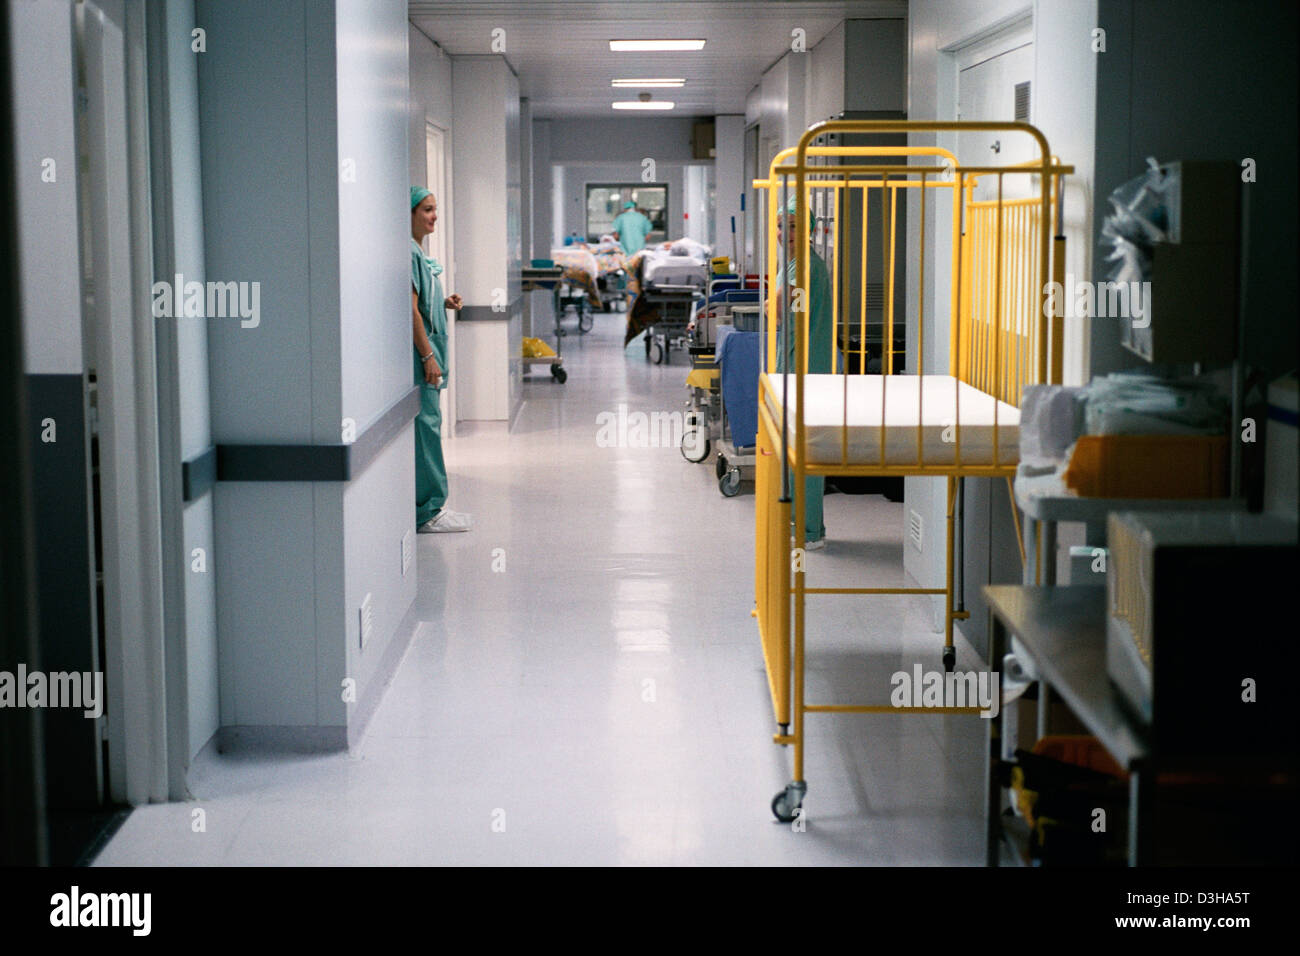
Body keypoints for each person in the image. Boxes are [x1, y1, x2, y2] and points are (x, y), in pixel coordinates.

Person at [772, 195, 833, 550]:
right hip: (797, 362)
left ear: (809, 229)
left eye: (793, 225)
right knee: (795, 448)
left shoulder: (807, 267)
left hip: (808, 366)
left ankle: (809, 530)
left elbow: (784, 312)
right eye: (781, 225)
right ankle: (802, 523)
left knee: (805, 449)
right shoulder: (793, 264)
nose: (785, 232)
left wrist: (774, 300)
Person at [411, 186, 472, 533]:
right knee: (428, 430)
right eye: (427, 210)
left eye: (435, 209)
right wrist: (428, 356)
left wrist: (444, 302)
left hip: (427, 355)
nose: (434, 216)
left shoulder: (418, 252)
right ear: (410, 213)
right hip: (422, 360)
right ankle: (429, 511)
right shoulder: (407, 252)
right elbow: (411, 312)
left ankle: (430, 507)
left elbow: (422, 305)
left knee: (429, 427)